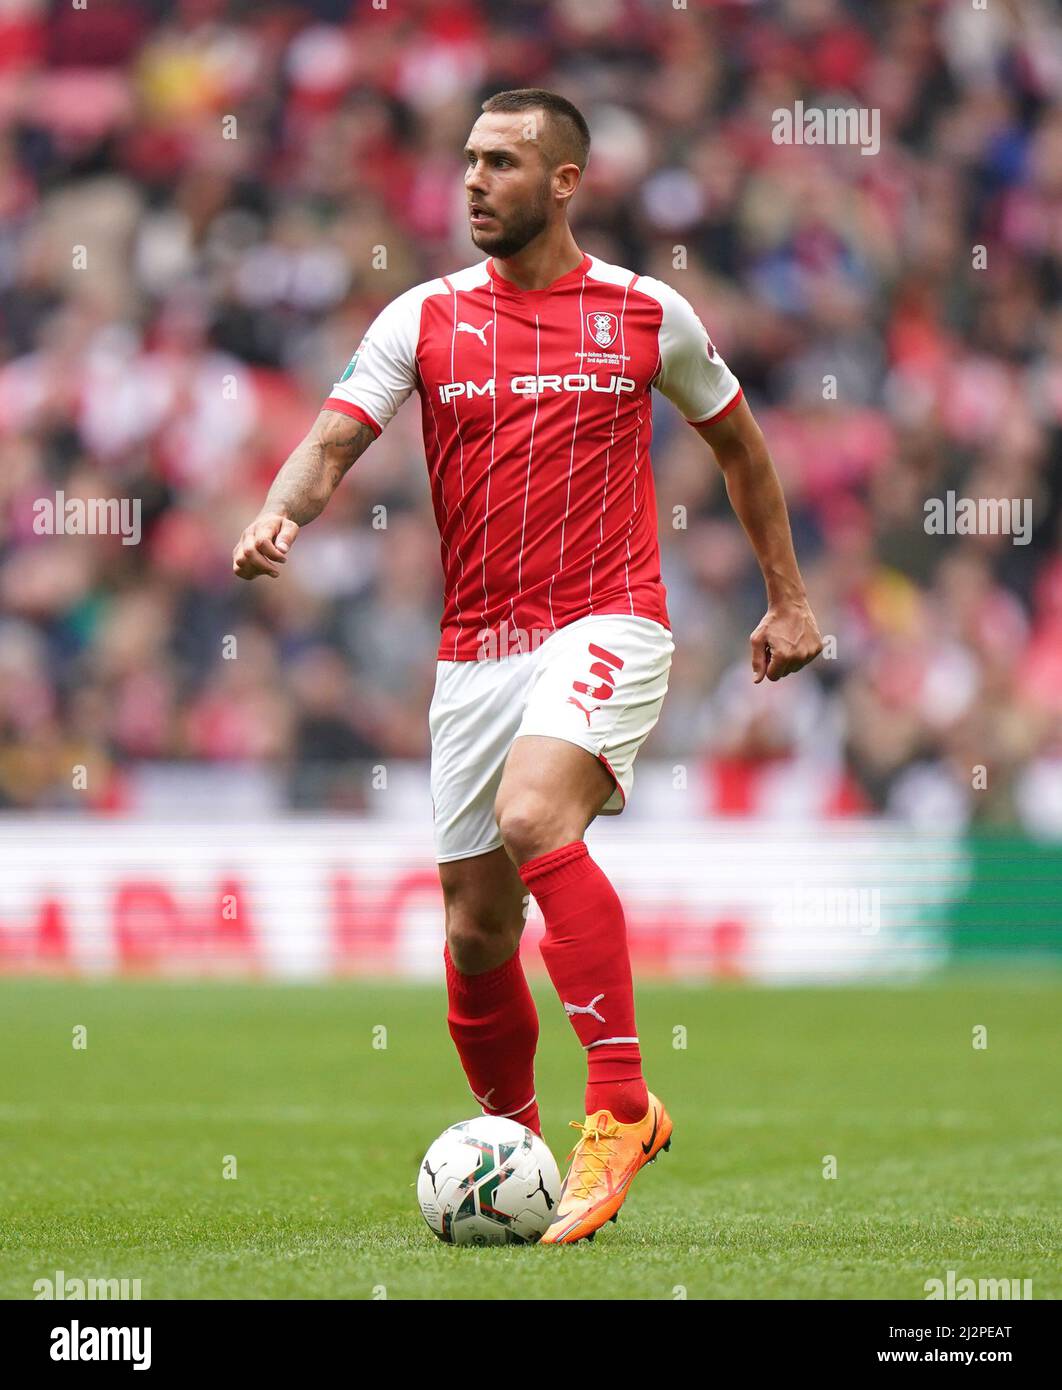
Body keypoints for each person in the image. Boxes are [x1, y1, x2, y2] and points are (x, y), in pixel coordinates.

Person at [233, 88, 823, 1244]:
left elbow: (743, 449)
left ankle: (622, 1103)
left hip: (609, 618)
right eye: (466, 160)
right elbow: (336, 434)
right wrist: (282, 512)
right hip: (477, 653)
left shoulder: (647, 315)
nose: (471, 181)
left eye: (500, 162)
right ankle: (518, 1146)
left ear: (564, 181)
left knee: (535, 813)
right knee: (474, 930)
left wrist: (789, 601)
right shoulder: (422, 317)